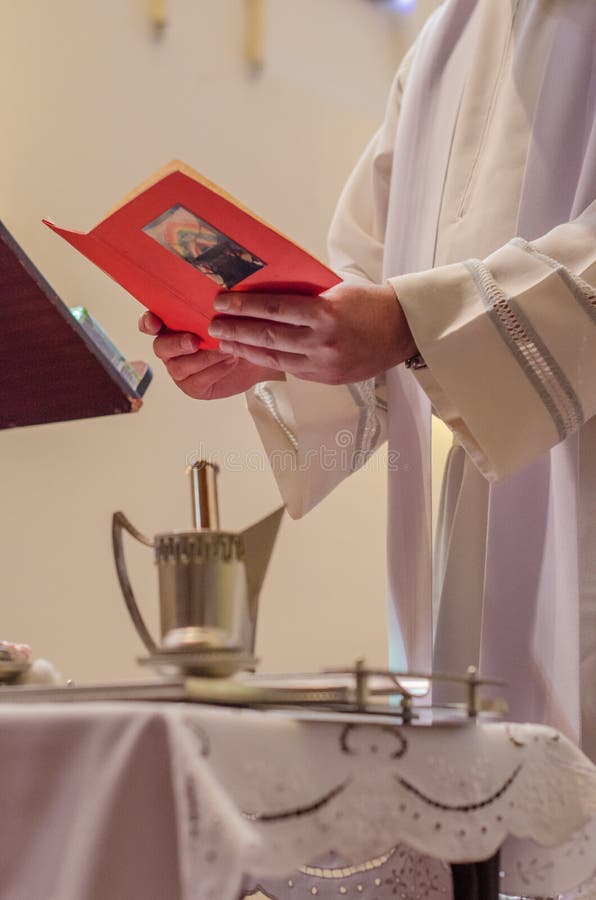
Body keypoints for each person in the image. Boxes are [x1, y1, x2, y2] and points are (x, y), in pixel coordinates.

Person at [140, 0, 596, 764]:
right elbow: (369, 277)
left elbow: (400, 313)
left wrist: (410, 323)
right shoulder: (446, 38)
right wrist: (274, 345)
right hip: (463, 561)